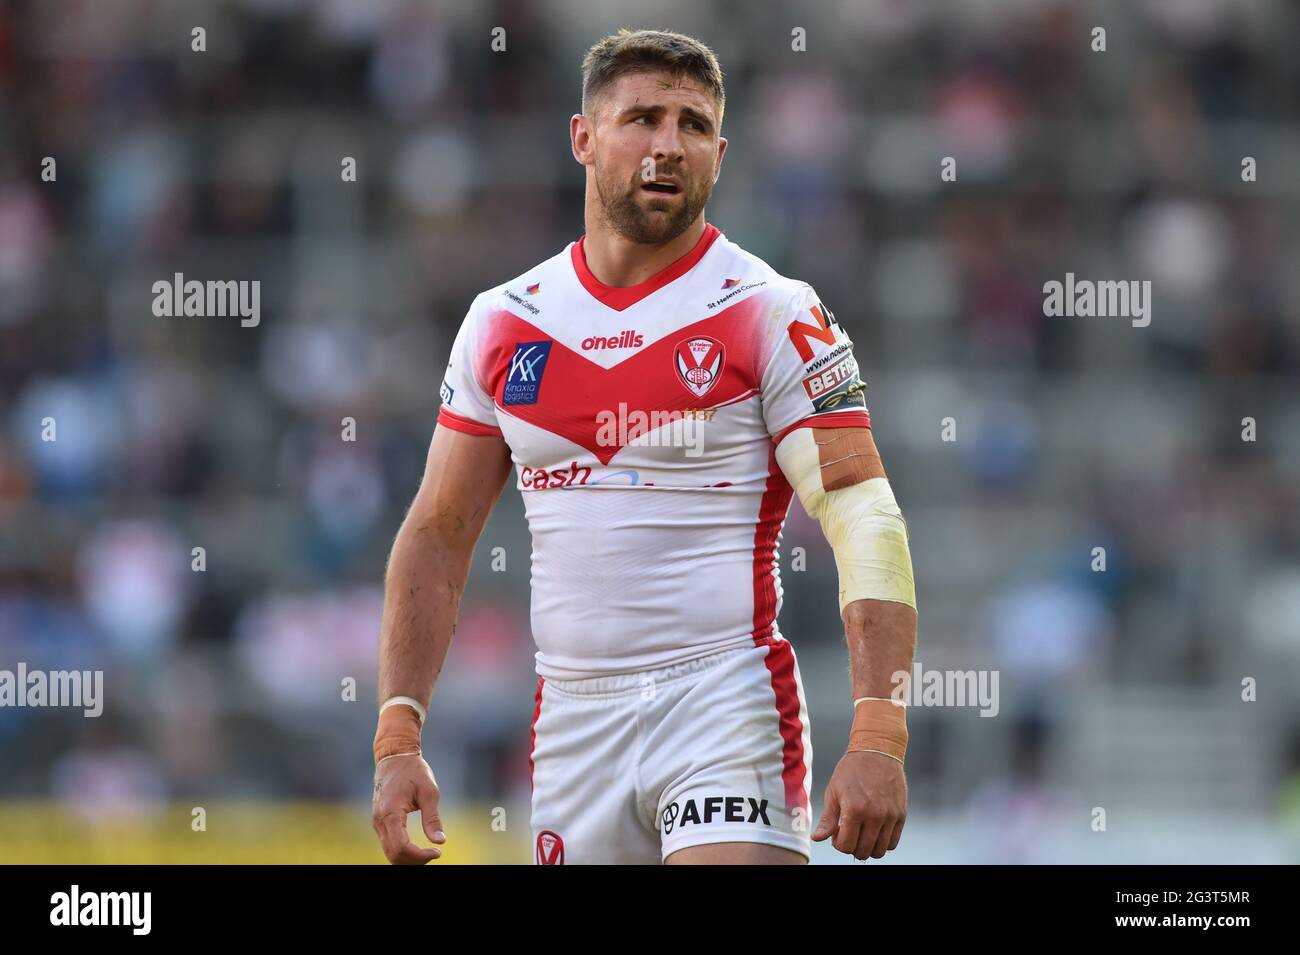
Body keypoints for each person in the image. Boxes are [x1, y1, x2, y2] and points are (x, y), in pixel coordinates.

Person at [371, 28, 917, 865]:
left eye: (694, 126)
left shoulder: (772, 309)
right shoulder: (502, 320)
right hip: (571, 725)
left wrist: (878, 732)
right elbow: (439, 531)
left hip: (722, 700)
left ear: (720, 153)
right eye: (643, 119)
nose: (668, 146)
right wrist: (398, 734)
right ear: (583, 138)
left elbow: (862, 511)